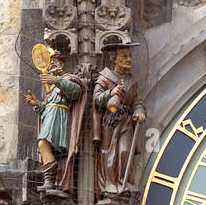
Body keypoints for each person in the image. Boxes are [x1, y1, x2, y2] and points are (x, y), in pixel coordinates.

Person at [23, 47, 88, 193]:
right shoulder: (51, 88)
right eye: (50, 62)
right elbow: (46, 108)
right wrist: (36, 104)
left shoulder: (68, 79)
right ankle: (50, 180)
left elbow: (76, 92)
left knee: (43, 143)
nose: (52, 64)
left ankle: (50, 180)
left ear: (62, 63)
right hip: (50, 116)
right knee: (43, 144)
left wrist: (57, 80)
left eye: (55, 61)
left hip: (60, 118)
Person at [92, 43, 146, 197]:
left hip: (126, 122)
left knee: (124, 151)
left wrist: (139, 110)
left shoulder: (131, 81)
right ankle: (110, 184)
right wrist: (110, 92)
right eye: (124, 56)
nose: (128, 59)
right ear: (114, 59)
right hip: (110, 122)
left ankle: (124, 182)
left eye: (129, 56)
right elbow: (96, 100)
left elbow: (137, 101)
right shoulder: (104, 77)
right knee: (109, 153)